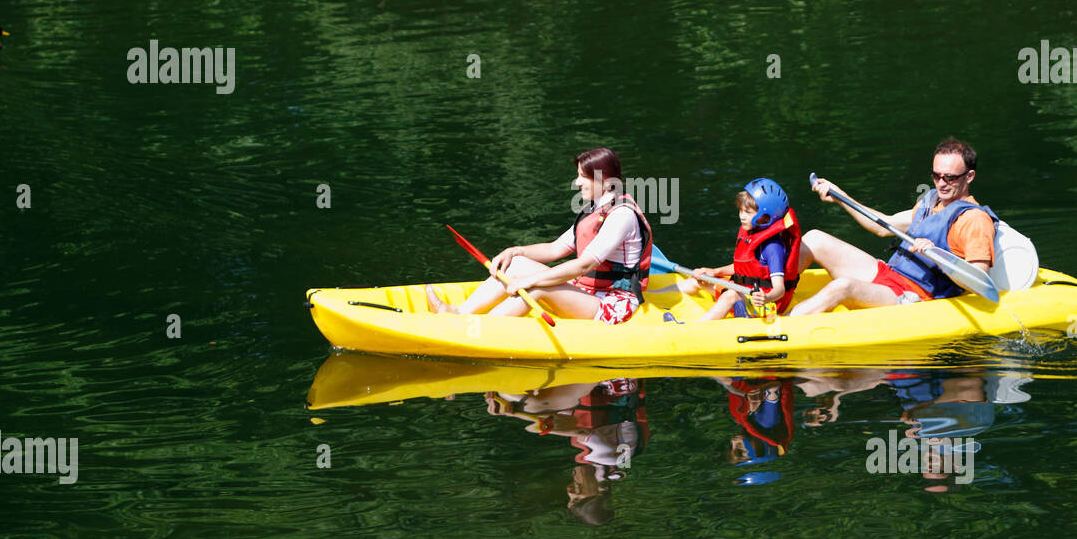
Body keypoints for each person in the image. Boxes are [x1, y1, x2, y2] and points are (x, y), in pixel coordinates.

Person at [426, 147, 652, 324]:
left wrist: (530, 280)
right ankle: (457, 313)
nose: (577, 182)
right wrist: (515, 251)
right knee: (517, 264)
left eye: (583, 177)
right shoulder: (595, 208)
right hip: (589, 293)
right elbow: (555, 249)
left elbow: (584, 265)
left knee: (538, 288)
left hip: (613, 303)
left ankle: (478, 329)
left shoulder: (621, 215)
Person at [790, 138, 997, 315]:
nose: (941, 184)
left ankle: (780, 325)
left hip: (914, 296)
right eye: (936, 176)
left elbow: (979, 282)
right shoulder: (933, 203)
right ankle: (770, 293)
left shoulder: (974, 220)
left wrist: (936, 254)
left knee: (843, 287)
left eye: (950, 178)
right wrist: (841, 197)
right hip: (892, 275)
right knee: (814, 239)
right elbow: (883, 226)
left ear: (969, 176)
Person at [678, 178, 803, 321]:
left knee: (729, 296)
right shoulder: (751, 233)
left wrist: (766, 297)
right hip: (744, 290)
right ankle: (652, 295)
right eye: (741, 211)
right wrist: (714, 272)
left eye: (748, 212)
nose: (742, 216)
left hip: (765, 304)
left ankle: (692, 328)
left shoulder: (772, 248)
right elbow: (743, 267)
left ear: (766, 216)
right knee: (697, 281)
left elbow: (779, 289)